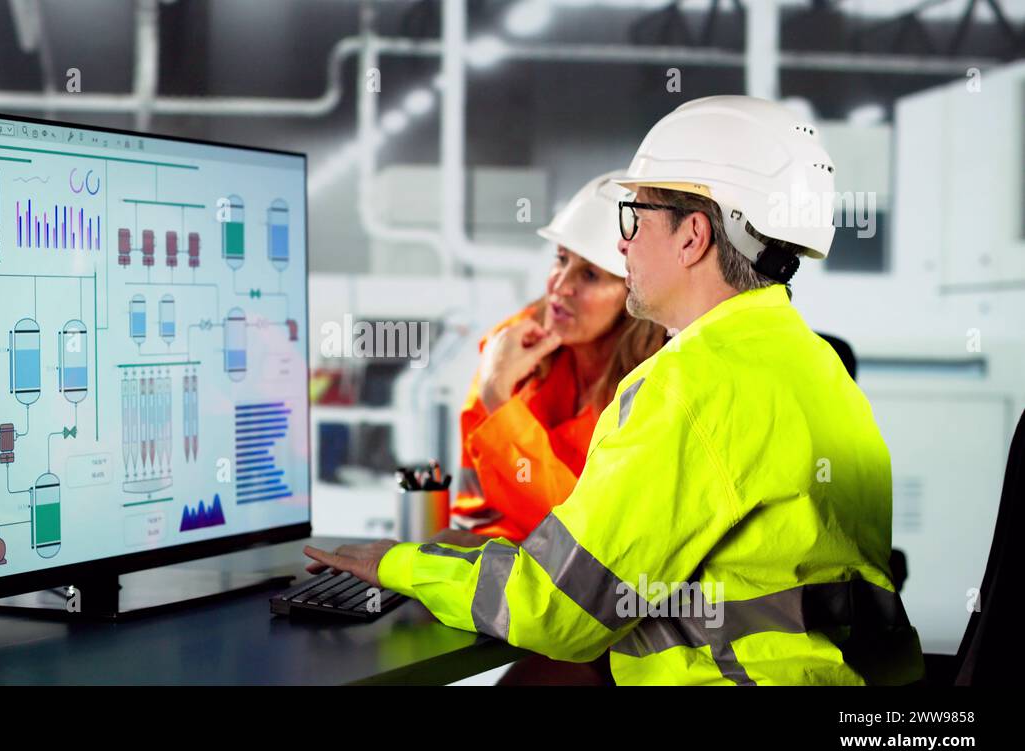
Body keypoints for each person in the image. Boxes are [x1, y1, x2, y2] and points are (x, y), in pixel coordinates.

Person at [305, 95, 925, 685]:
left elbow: (556, 610)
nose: (623, 239)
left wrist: (397, 564)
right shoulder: (814, 363)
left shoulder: (689, 384)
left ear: (693, 236)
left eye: (634, 215)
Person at [449, 171, 666, 543]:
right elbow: (477, 512)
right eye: (560, 259)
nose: (560, 285)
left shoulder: (656, 389)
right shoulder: (511, 349)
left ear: (633, 297)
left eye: (590, 275)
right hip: (494, 560)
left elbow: (582, 533)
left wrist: (499, 400)